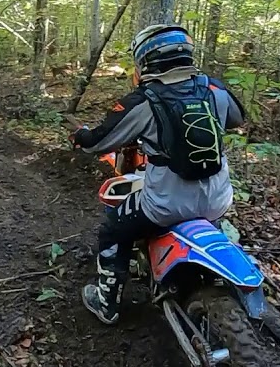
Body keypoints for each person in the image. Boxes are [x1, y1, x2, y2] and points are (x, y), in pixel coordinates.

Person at [69, 23, 247, 325]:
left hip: (166, 205)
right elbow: (237, 119)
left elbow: (97, 142)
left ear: (145, 59)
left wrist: (80, 136)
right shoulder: (213, 88)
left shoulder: (145, 99)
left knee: (113, 227)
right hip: (218, 200)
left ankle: (106, 302)